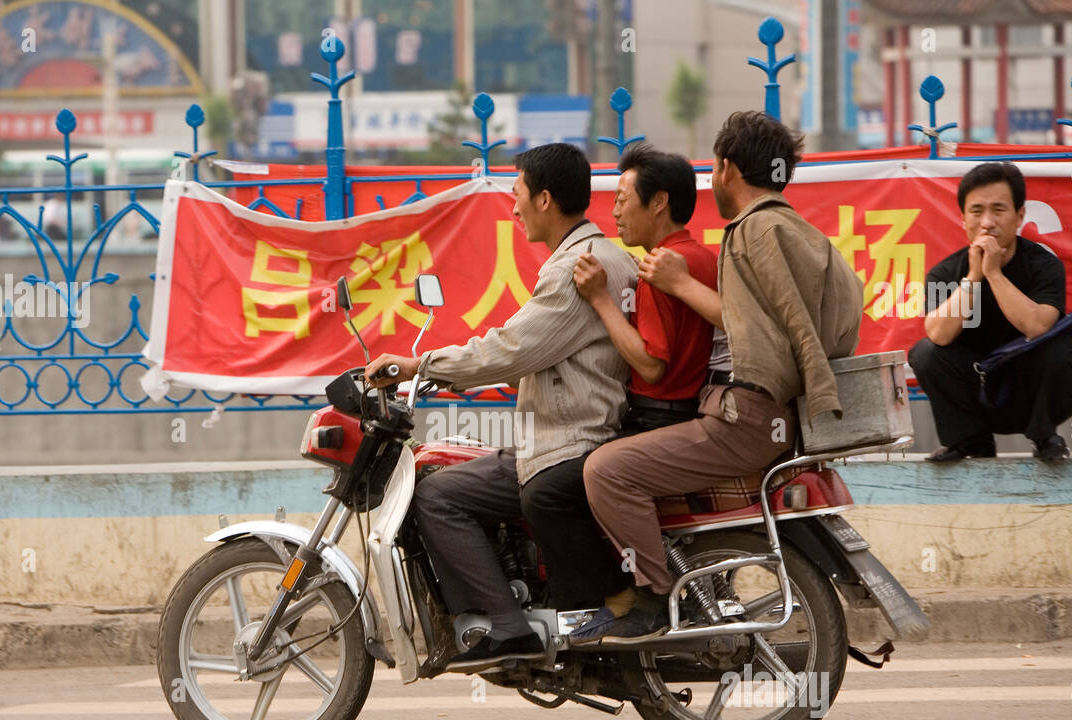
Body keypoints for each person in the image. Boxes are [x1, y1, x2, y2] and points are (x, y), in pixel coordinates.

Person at [574, 110, 863, 642]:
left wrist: (678, 285)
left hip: (746, 417)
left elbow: (774, 326)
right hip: (755, 415)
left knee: (605, 471)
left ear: (727, 168)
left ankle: (654, 598)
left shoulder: (757, 229)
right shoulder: (796, 229)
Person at [365, 143, 637, 669]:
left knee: (438, 496)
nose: (512, 209)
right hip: (571, 432)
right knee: (454, 470)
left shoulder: (573, 270)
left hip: (569, 441)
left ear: (544, 198)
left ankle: (508, 628)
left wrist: (418, 366)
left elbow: (511, 349)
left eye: (517, 196)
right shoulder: (602, 256)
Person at [910, 161, 1072, 462]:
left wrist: (994, 274)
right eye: (976, 211)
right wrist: (974, 277)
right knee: (924, 353)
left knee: (1062, 351)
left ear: (1019, 217)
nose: (987, 222)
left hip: (1029, 390)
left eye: (998, 210)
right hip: (976, 391)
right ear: (963, 219)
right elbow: (938, 334)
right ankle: (970, 442)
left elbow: (1037, 326)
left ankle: (1045, 437)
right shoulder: (944, 273)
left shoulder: (1044, 265)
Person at [572, 142, 719, 437]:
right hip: (693, 413)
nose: (615, 213)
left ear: (658, 202)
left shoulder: (657, 270)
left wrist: (600, 299)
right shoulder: (707, 259)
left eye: (622, 200)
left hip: (654, 420)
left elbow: (651, 368)